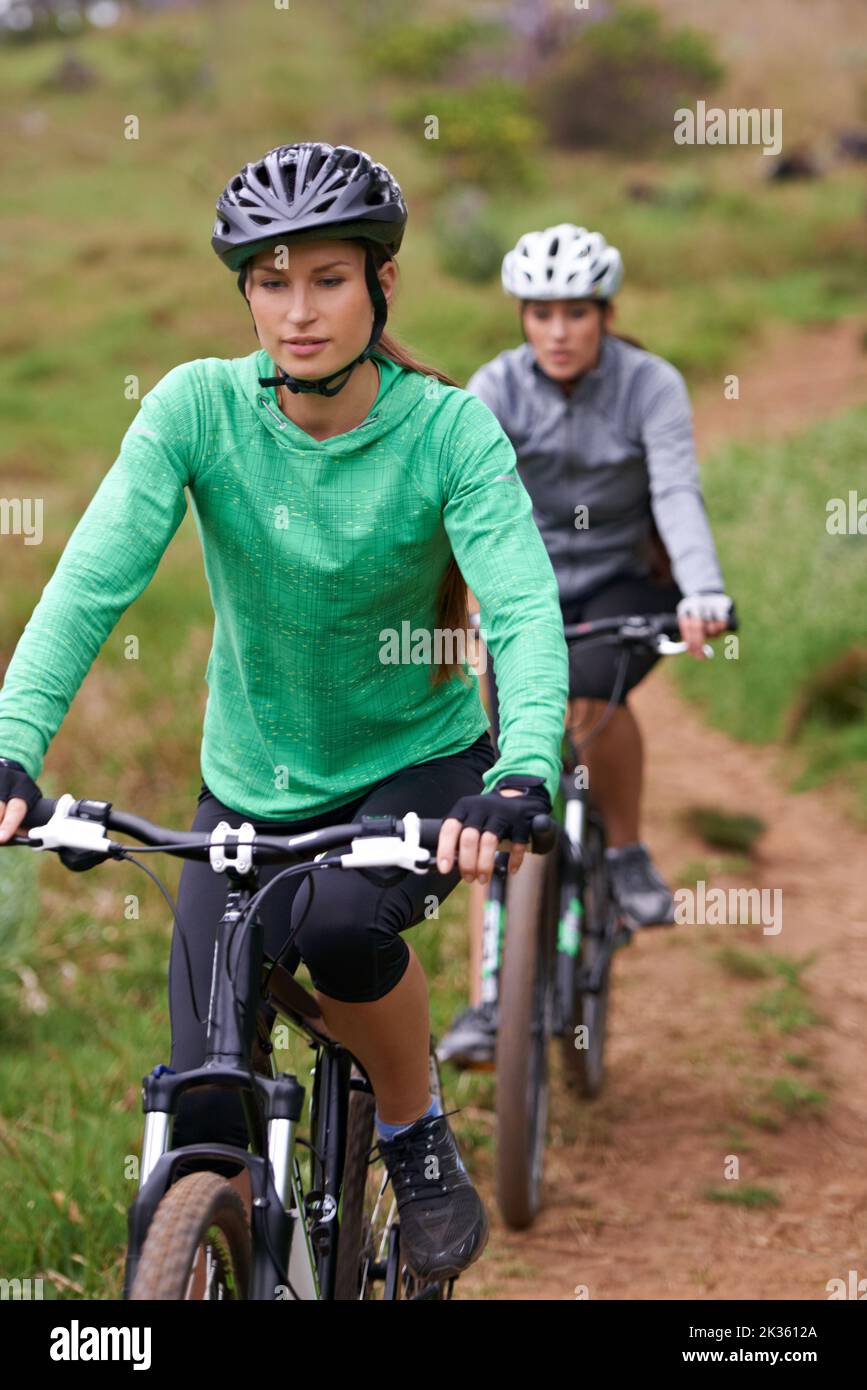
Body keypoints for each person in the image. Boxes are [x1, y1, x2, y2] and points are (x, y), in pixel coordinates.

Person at [0, 144, 569, 1284]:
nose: (297, 311)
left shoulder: (447, 431)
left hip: (407, 773)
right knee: (205, 1080)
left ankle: (410, 1131)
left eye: (327, 279)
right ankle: (215, 1245)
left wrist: (525, 767)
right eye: (270, 280)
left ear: (383, 286)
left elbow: (518, 607)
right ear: (244, 290)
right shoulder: (196, 411)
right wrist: (13, 746)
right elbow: (90, 585)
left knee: (335, 929)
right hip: (244, 790)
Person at [438, 222, 732, 1069]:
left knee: (592, 692)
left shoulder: (650, 386)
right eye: (540, 314)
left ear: (603, 314)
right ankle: (493, 1000)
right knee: (496, 784)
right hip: (519, 589)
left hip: (619, 584)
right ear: (522, 319)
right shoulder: (494, 387)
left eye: (574, 312)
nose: (558, 331)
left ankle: (630, 852)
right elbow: (464, 506)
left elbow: (675, 490)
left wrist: (703, 590)